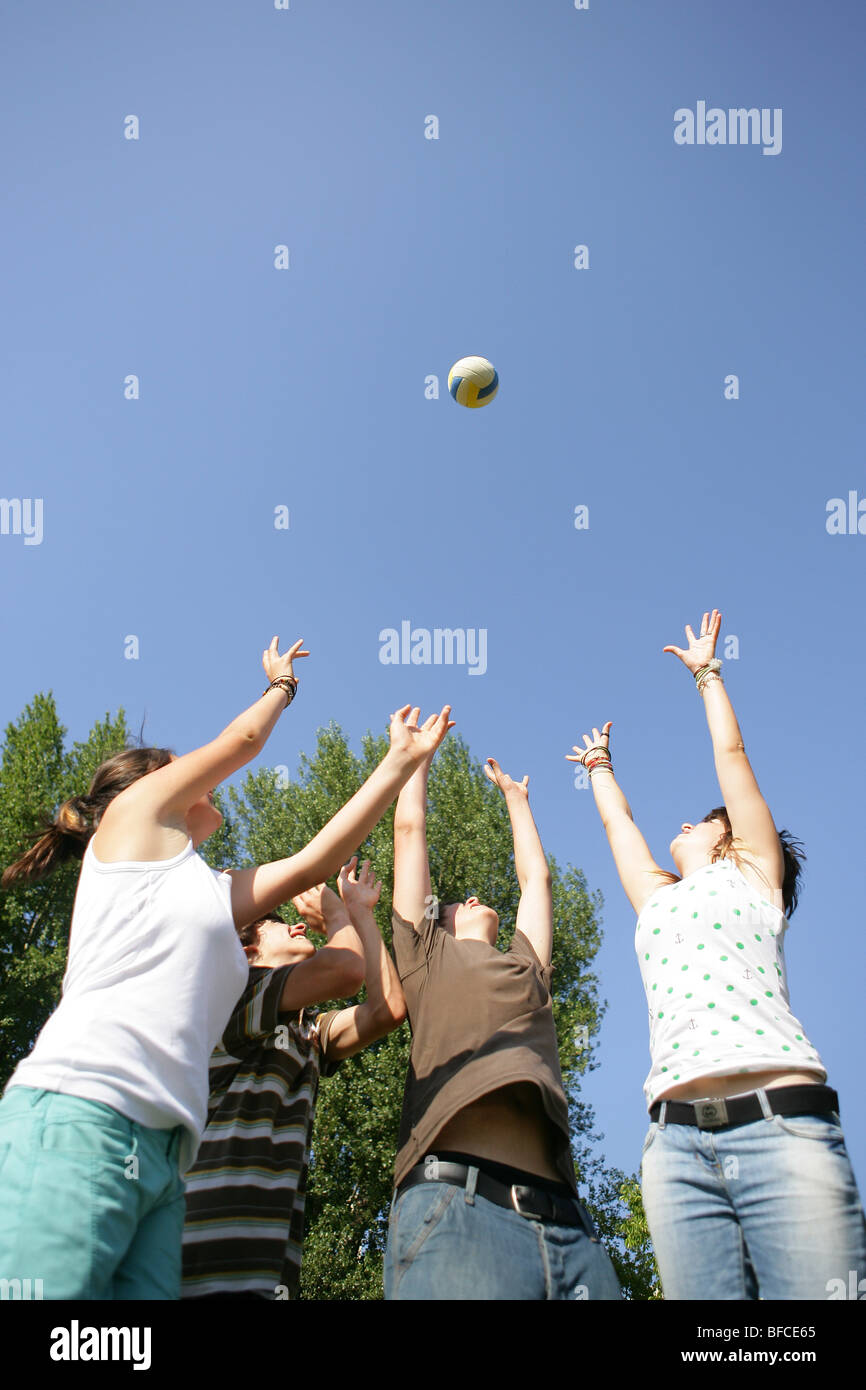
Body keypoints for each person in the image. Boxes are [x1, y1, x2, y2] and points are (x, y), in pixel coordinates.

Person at [0, 633, 451, 1299]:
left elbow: (315, 861)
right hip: (85, 1107)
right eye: (182, 765)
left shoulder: (213, 892)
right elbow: (242, 742)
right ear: (154, 785)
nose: (199, 771)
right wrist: (281, 687)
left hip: (162, 1155)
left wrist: (398, 763)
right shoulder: (125, 829)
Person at [567, 608, 866, 1300]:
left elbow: (732, 761)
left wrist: (707, 674)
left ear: (729, 838)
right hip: (674, 1147)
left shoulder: (754, 873)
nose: (684, 822)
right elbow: (618, 827)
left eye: (700, 819)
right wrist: (599, 766)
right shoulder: (658, 900)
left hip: (782, 1125)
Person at [383, 724, 622, 1301]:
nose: (471, 898)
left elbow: (534, 879)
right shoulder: (424, 958)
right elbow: (410, 831)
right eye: (458, 901)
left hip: (571, 1229)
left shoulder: (528, 970)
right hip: (456, 1210)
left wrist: (516, 801)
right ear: (437, 924)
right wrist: (416, 760)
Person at [182, 858, 405, 1299]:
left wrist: (359, 914)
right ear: (246, 950)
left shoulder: (305, 1031)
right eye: (278, 924)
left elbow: (388, 1010)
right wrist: (336, 917)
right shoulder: (237, 994)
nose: (298, 927)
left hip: (270, 1265)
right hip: (199, 1255)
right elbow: (344, 970)